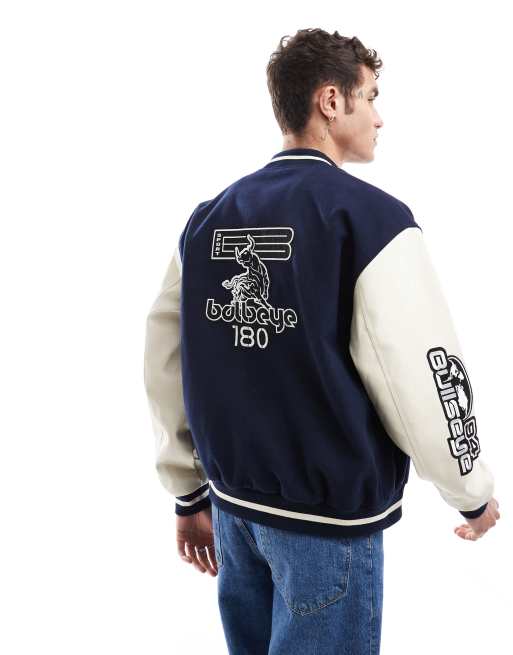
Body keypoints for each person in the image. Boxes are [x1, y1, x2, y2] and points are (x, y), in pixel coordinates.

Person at [143, 28, 500, 655]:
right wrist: (470, 491)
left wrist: (187, 492)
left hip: (233, 514)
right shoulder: (373, 221)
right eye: (372, 96)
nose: (380, 117)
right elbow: (419, 373)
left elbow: (166, 358)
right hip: (325, 528)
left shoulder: (207, 218)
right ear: (331, 101)